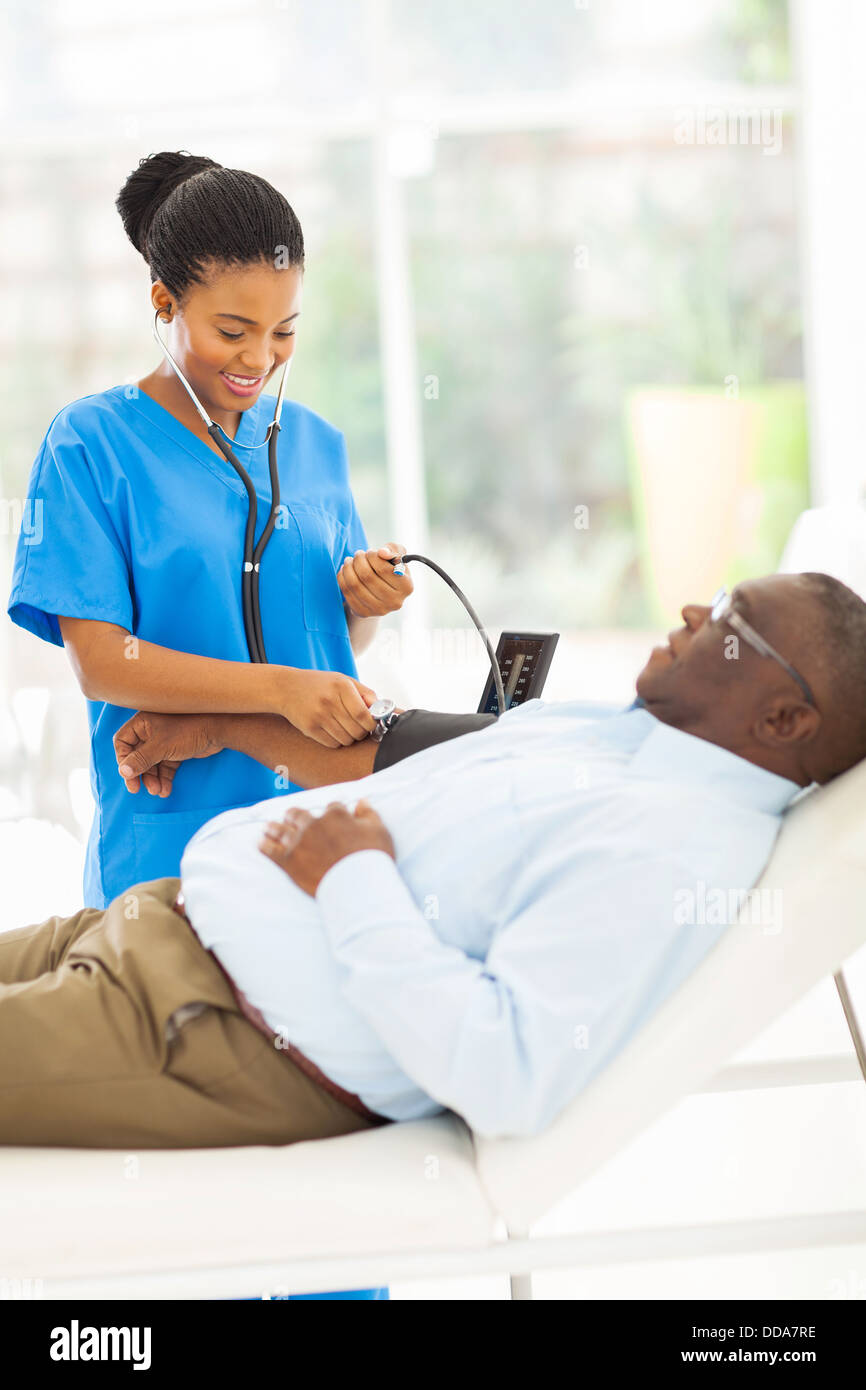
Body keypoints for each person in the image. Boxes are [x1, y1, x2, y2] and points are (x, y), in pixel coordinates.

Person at [3, 571, 865, 1148]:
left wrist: (354, 879)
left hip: (199, 1025)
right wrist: (221, 726)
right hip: (149, 924)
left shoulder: (675, 851)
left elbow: (509, 1072)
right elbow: (393, 754)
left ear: (786, 720)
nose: (692, 615)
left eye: (731, 622)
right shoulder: (614, 736)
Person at [7, 150, 414, 912]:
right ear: (165, 302)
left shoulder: (314, 443)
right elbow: (102, 661)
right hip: (171, 847)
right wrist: (281, 693)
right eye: (233, 329)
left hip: (319, 834)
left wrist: (364, 598)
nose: (259, 358)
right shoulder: (91, 445)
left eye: (283, 331)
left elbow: (333, 642)